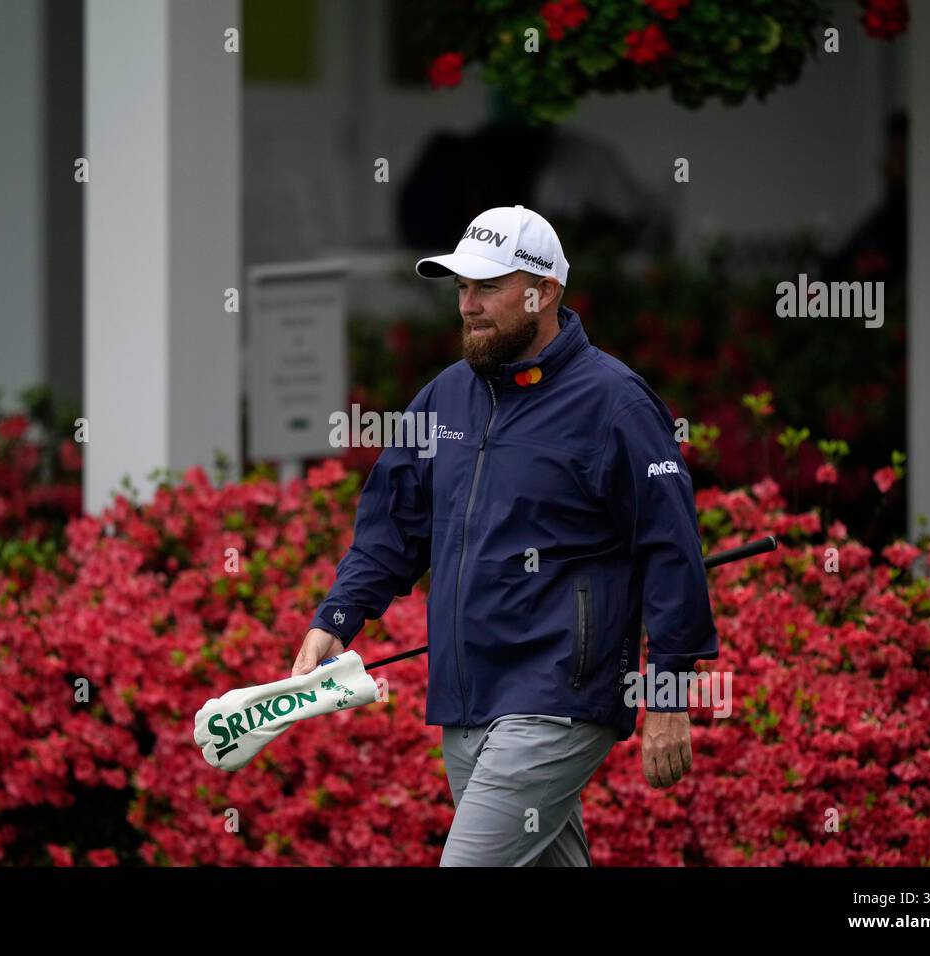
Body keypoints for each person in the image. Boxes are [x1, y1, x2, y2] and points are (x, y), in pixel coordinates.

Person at [291, 205, 719, 866]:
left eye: (488, 287)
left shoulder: (616, 404)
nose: (468, 304)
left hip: (559, 696)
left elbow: (671, 551)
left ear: (543, 291)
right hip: (466, 697)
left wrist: (668, 694)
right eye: (462, 287)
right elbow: (392, 528)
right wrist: (338, 616)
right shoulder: (443, 398)